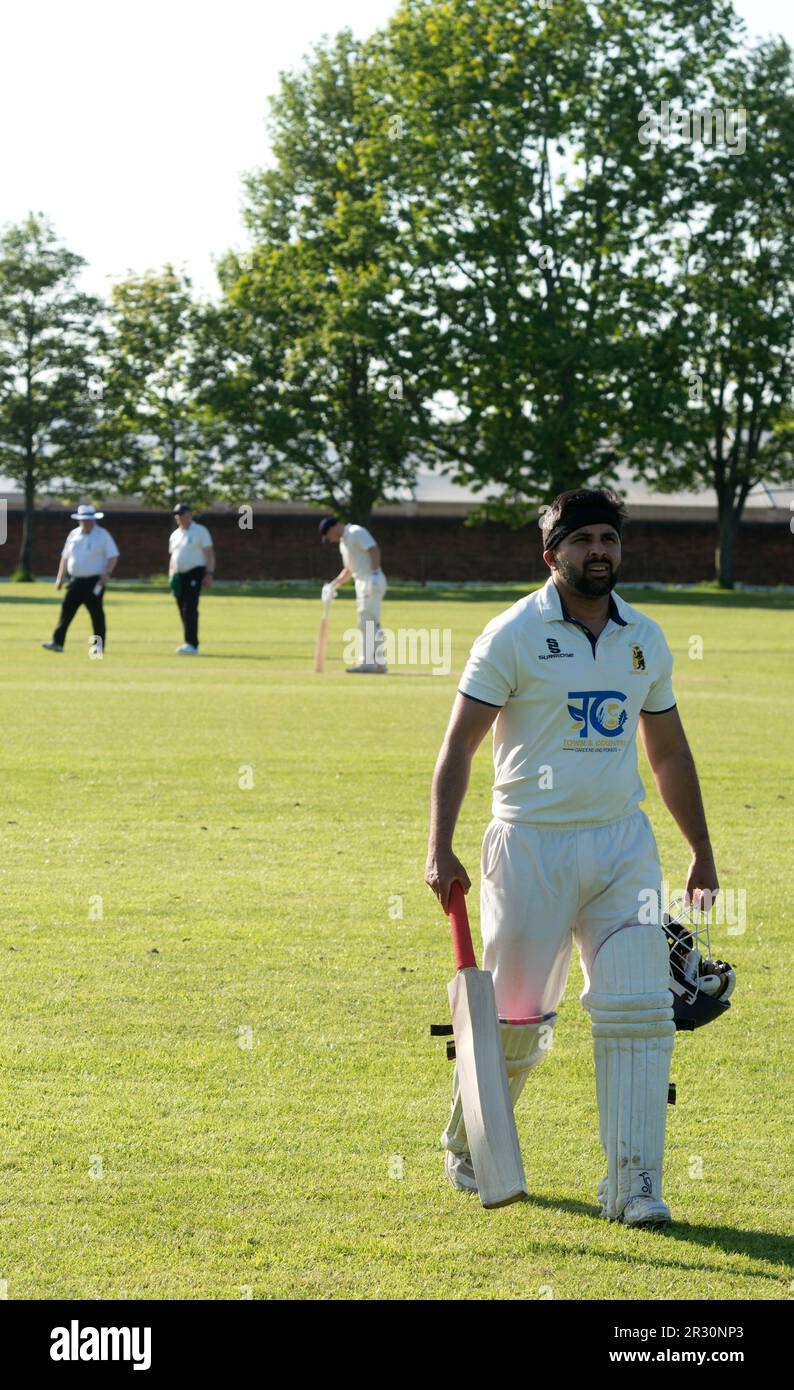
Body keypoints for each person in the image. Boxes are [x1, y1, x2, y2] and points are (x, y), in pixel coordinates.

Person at [424, 487, 719, 1228]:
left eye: (610, 540)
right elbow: (458, 745)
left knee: (641, 1011)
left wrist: (701, 850)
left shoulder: (643, 636)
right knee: (518, 1022)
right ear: (551, 554)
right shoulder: (513, 633)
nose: (600, 552)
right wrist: (439, 846)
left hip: (622, 844)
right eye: (583, 540)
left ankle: (635, 1186)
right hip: (530, 844)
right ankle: (470, 1144)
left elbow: (669, 750)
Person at [42, 503, 119, 654]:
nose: (86, 522)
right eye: (83, 520)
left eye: (89, 520)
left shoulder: (103, 535)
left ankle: (98, 647)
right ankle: (57, 642)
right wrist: (60, 578)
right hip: (75, 580)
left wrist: (106, 574)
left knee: (96, 615)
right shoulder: (73, 534)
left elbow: (113, 556)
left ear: (94, 520)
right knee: (66, 612)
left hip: (94, 581)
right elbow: (65, 557)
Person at [318, 516, 388, 674]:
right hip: (363, 583)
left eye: (328, 535)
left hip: (372, 580)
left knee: (367, 622)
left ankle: (368, 664)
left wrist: (375, 573)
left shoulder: (356, 532)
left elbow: (374, 549)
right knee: (370, 623)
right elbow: (349, 569)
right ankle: (379, 663)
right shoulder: (344, 543)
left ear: (332, 528)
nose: (329, 539)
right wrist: (333, 584)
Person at [168, 503, 215, 654]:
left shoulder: (200, 531)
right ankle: (188, 641)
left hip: (195, 572)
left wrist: (209, 573)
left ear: (189, 515)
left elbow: (209, 553)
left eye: (181, 514)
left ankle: (192, 644)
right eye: (176, 515)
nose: (178, 517)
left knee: (190, 607)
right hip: (178, 575)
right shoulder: (175, 534)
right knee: (182, 608)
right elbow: (173, 557)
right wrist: (171, 575)